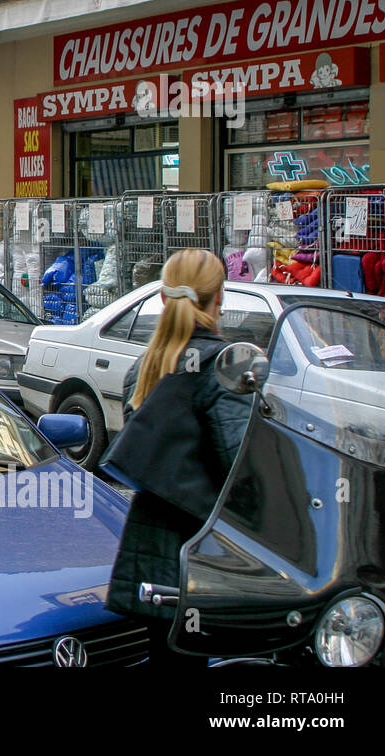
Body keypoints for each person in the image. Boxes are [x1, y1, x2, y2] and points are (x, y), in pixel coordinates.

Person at [106, 249, 253, 667]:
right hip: (205, 554)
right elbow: (238, 469)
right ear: (218, 298)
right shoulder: (225, 366)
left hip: (152, 549)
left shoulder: (147, 365)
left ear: (162, 300)